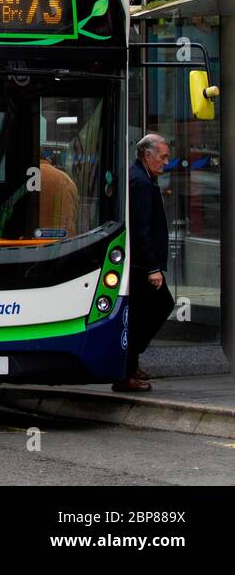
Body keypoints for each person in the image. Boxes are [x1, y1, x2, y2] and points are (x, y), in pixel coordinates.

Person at [117, 133, 177, 393]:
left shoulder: (143, 177)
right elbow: (140, 229)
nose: (166, 162)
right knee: (153, 310)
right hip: (141, 266)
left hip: (141, 264)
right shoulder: (140, 181)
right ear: (147, 155)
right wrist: (153, 267)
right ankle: (126, 372)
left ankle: (130, 364)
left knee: (145, 314)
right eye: (162, 157)